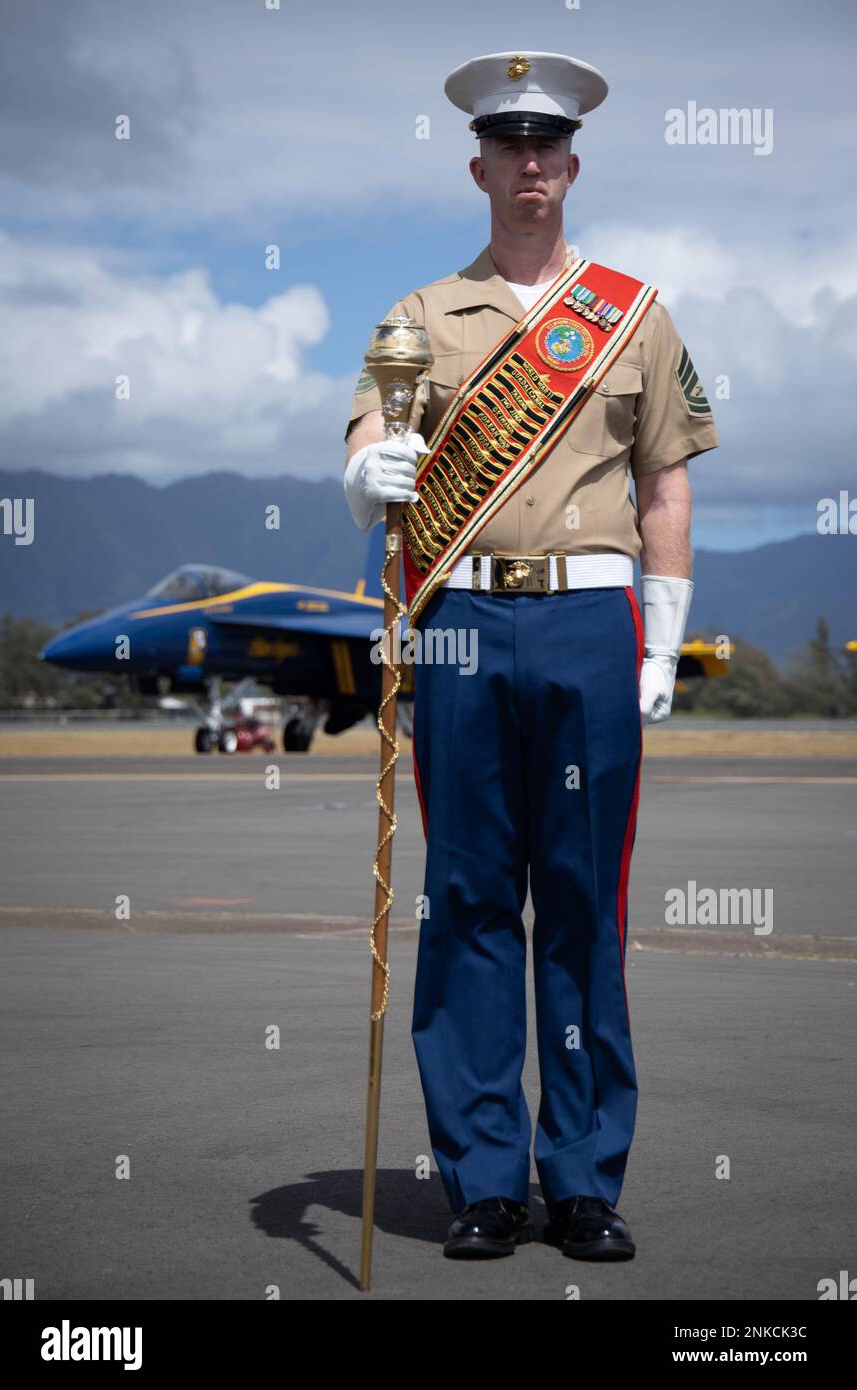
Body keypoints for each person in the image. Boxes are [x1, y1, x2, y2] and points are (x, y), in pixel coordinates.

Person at [343, 51, 719, 1262]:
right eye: (507, 146)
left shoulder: (633, 314)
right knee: (464, 899)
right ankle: (483, 1179)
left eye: (546, 146)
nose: (528, 164)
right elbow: (364, 446)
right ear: (479, 167)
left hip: (588, 622)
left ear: (569, 164)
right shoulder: (416, 317)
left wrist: (660, 640)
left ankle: (585, 1179)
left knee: (580, 902)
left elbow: (663, 486)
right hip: (457, 622)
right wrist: (367, 473)